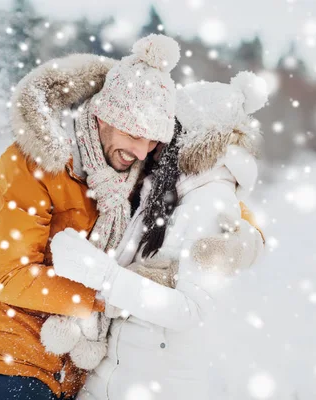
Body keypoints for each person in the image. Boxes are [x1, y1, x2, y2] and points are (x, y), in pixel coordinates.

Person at [0, 34, 181, 400]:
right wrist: (107, 296)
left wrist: (239, 226)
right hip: (10, 354)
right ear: (103, 116)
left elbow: (201, 180)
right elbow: (10, 277)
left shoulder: (132, 172)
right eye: (134, 133)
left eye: (153, 140)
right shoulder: (32, 163)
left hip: (73, 364)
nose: (141, 151)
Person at [51, 71, 268, 400]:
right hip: (117, 377)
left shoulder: (209, 201)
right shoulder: (167, 190)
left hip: (155, 382)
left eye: (164, 131)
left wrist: (103, 274)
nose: (151, 145)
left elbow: (191, 310)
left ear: (187, 135)